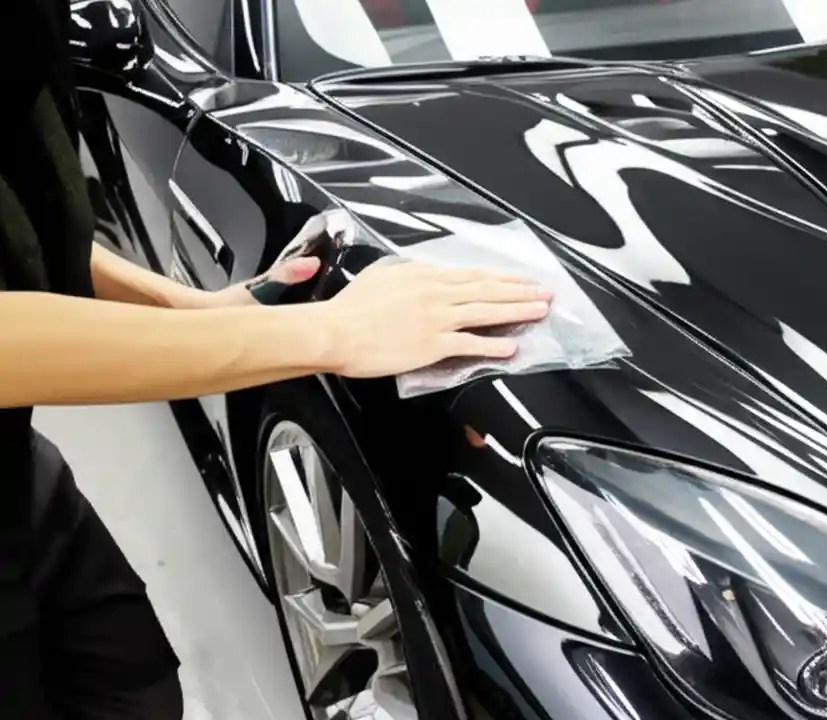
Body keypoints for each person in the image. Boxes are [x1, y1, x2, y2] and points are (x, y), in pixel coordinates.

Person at [0, 1, 552, 717]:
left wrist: (192, 310)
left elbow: (26, 213)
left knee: (132, 682)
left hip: (23, 479)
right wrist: (329, 334)